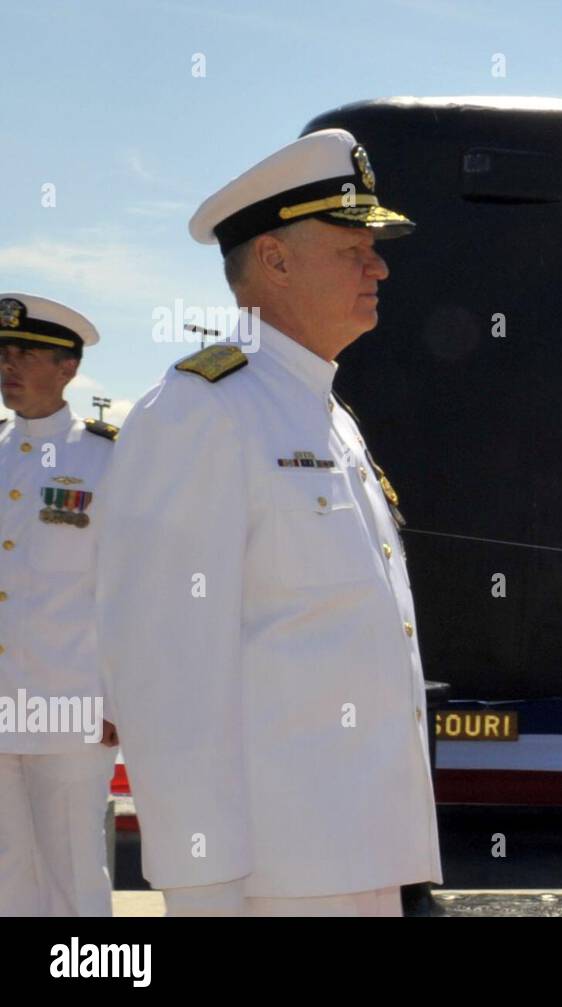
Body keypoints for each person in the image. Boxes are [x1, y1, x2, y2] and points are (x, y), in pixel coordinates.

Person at [96, 129, 441, 916]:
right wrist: (203, 885)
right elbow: (163, 666)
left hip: (358, 856)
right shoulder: (200, 412)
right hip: (272, 877)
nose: (379, 264)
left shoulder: (327, 417)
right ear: (275, 261)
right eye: (354, 245)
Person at [0, 293, 119, 916]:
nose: (8, 367)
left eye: (25, 354)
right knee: (5, 881)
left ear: (69, 367)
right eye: (3, 353)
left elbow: (128, 593)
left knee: (74, 878)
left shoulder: (108, 459)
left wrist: (118, 698)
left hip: (71, 706)